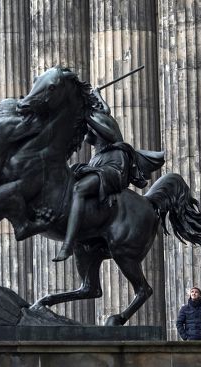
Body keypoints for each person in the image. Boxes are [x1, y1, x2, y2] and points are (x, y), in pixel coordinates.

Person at [53, 88, 164, 261]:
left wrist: (88, 116)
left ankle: (68, 244)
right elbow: (88, 135)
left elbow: (110, 135)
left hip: (113, 166)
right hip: (98, 163)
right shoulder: (98, 116)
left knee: (79, 189)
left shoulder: (103, 119)